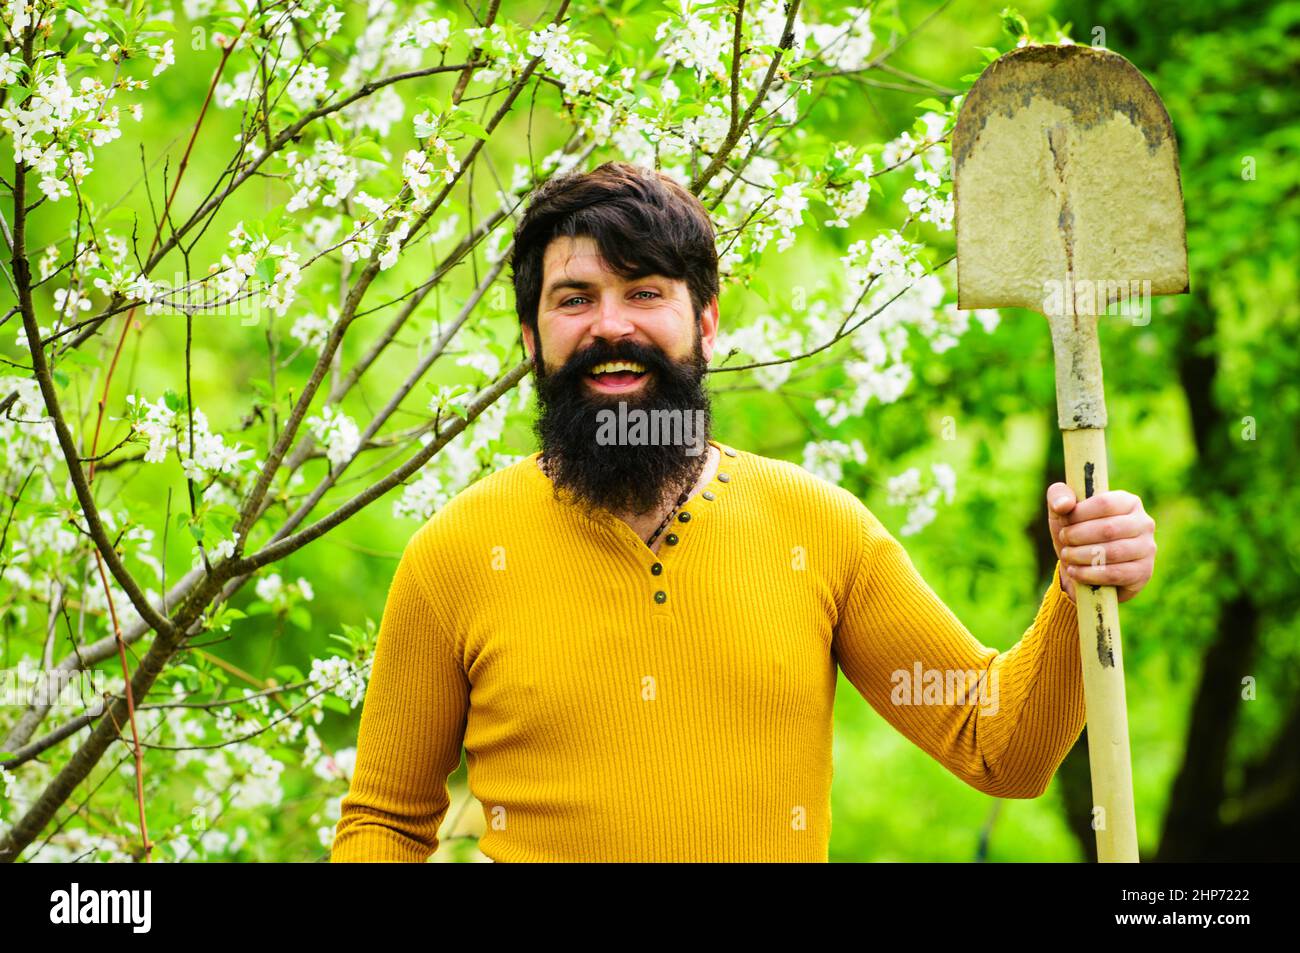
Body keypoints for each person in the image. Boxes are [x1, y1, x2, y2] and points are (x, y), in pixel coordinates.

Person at [329, 161, 1157, 862]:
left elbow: (999, 745)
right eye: (574, 298)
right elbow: (384, 821)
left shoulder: (819, 529)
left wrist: (1080, 588)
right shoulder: (457, 554)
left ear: (707, 321)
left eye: (645, 292)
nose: (610, 325)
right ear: (529, 334)